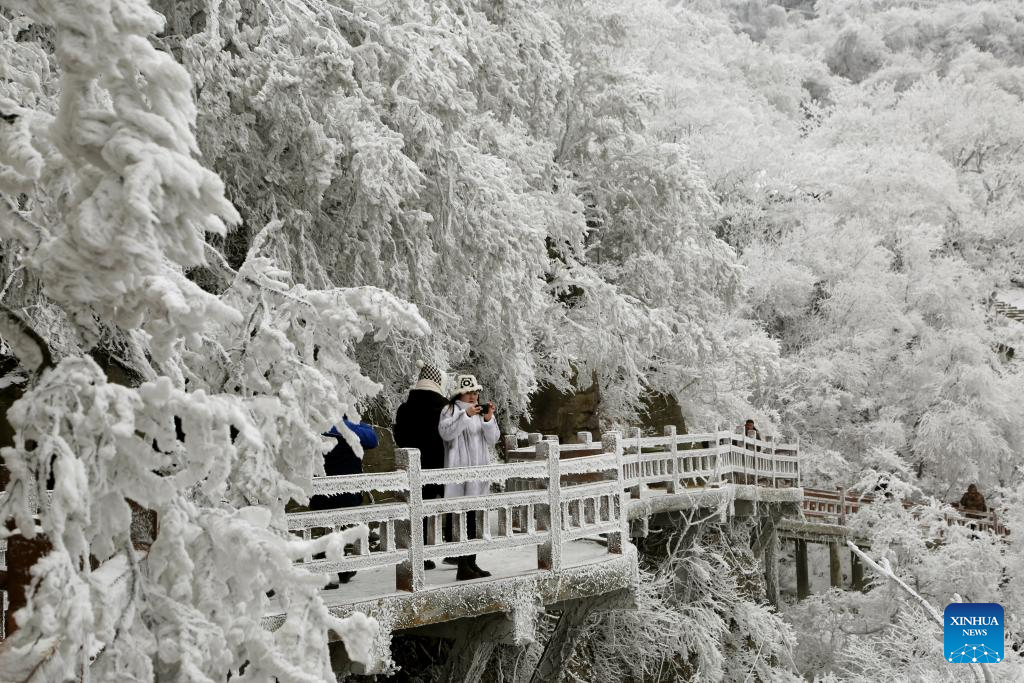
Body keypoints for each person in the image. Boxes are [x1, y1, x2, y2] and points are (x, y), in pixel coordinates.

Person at [439, 373, 500, 581]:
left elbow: (493, 439)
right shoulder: (450, 410)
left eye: (475, 392)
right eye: (468, 393)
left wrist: (488, 419)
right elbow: (446, 433)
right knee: (460, 519)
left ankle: (471, 562)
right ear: (460, 394)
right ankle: (462, 565)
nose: (473, 396)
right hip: (459, 473)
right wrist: (465, 416)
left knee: (473, 519)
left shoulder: (479, 412)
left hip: (478, 473)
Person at [310, 417, 378, 588]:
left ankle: (339, 569)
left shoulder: (313, 426)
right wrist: (353, 424)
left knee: (332, 530)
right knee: (337, 530)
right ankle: (330, 571)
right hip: (346, 494)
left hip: (319, 493)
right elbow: (372, 440)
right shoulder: (348, 430)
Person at [394, 360, 449, 570]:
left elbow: (400, 437)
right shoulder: (444, 409)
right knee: (444, 507)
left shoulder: (405, 408)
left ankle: (416, 554)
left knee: (414, 512)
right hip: (438, 465)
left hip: (411, 468)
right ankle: (455, 551)